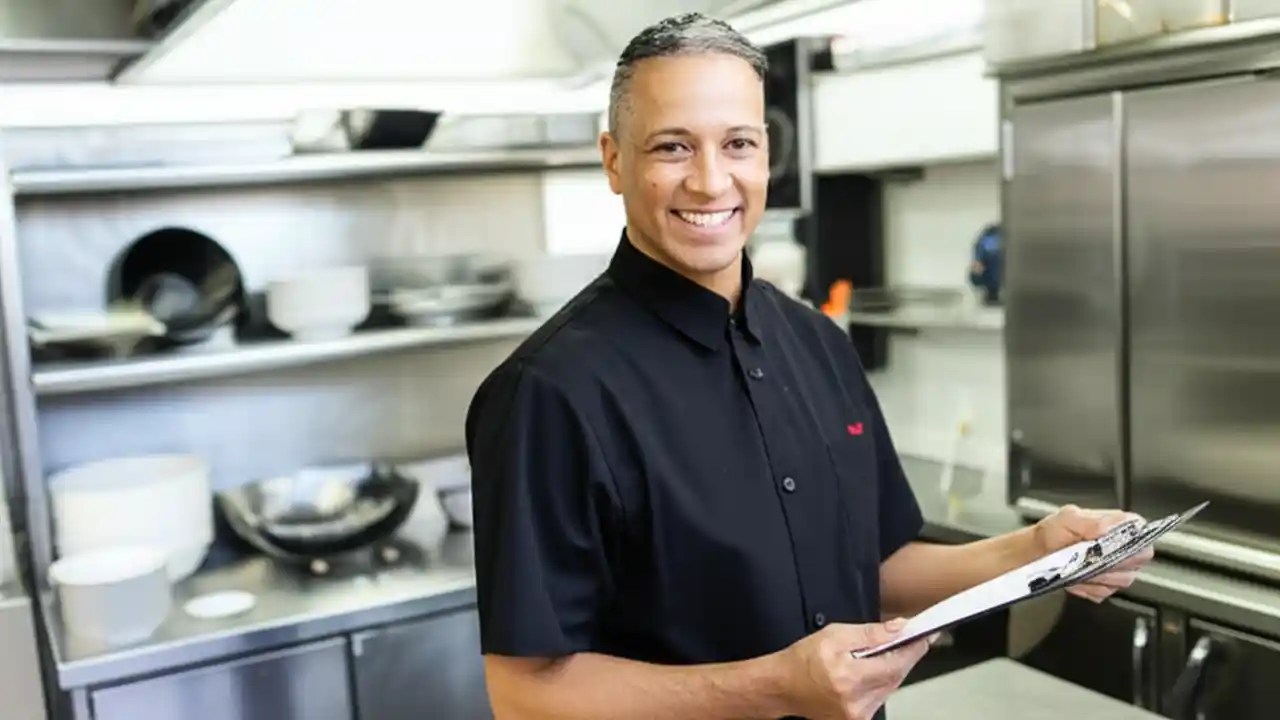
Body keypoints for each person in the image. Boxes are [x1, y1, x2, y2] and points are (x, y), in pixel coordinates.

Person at [464, 12, 1152, 720]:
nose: (710, 180)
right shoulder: (549, 394)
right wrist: (775, 686)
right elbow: (525, 694)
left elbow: (878, 567)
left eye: (738, 143)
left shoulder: (817, 342)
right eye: (672, 147)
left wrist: (1037, 552)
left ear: (766, 154)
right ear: (614, 160)